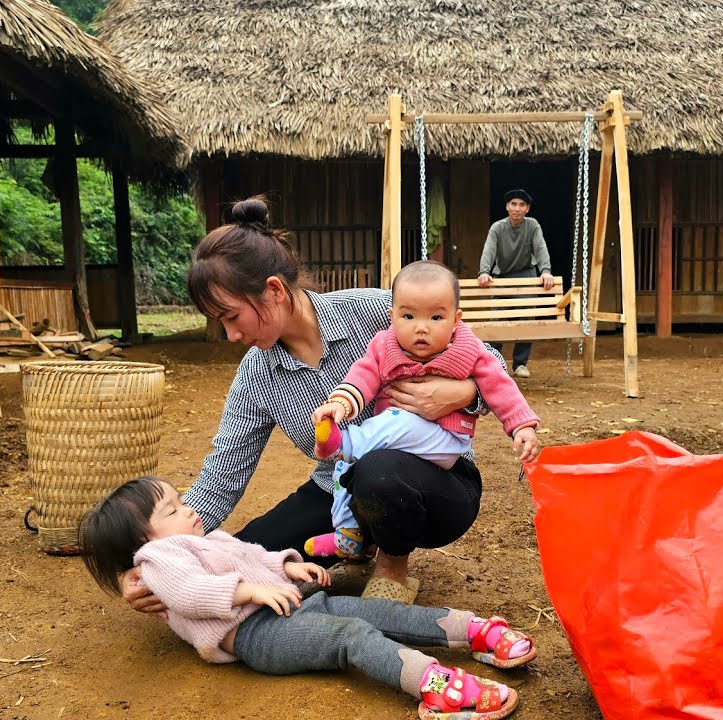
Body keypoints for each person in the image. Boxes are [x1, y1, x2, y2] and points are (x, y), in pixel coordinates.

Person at [121, 196, 500, 610]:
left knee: (377, 470)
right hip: (337, 493)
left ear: (274, 291)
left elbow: (491, 362)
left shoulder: (374, 311)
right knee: (248, 556)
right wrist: (161, 561)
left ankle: (392, 567)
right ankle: (359, 539)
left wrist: (464, 393)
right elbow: (220, 480)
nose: (230, 335)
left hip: (438, 485)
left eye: (232, 317)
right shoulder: (257, 374)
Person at [81, 477, 537, 720]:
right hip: (255, 634)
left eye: (183, 501)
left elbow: (250, 552)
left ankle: (470, 629)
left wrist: (286, 566)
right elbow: (191, 591)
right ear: (141, 540)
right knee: (352, 635)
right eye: (174, 510)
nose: (191, 509)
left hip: (293, 602)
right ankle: (435, 687)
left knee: (380, 611)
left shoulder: (201, 537)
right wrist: (250, 590)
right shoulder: (157, 558)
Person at [304, 260, 542, 561]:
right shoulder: (383, 346)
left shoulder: (469, 350)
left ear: (456, 319)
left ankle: (345, 442)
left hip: (443, 440)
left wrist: (522, 426)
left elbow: (499, 385)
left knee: (394, 421)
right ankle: (347, 535)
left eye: (436, 317)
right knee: (344, 469)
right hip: (395, 449)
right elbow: (362, 376)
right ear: (392, 317)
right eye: (408, 315)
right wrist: (341, 402)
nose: (421, 327)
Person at [476, 189, 555, 379]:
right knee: (498, 320)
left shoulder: (532, 226)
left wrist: (545, 271)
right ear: (507, 207)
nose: (517, 209)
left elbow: (541, 247)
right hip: (501, 276)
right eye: (513, 204)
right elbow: (489, 250)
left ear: (527, 209)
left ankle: (520, 364)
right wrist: (484, 272)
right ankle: (496, 363)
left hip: (526, 273)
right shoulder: (497, 228)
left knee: (527, 318)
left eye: (521, 205)